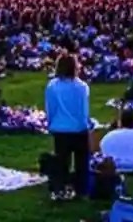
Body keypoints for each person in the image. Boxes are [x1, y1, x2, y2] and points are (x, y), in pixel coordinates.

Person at [45, 54, 91, 199]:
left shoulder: (52, 86)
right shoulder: (82, 86)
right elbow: (84, 109)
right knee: (81, 162)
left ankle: (60, 188)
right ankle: (81, 189)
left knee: (61, 161)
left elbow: (50, 107)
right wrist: (86, 126)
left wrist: (50, 123)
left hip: (60, 128)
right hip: (79, 128)